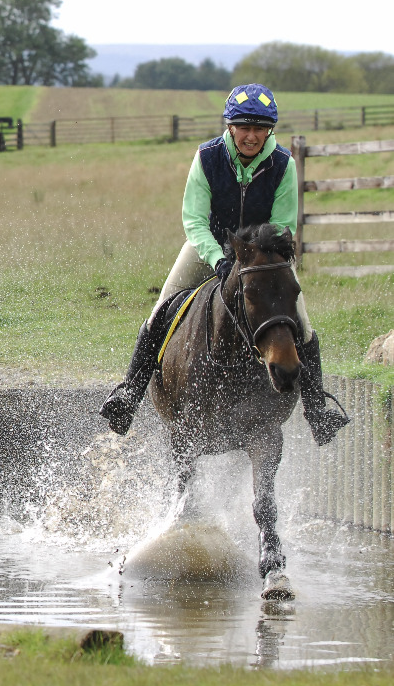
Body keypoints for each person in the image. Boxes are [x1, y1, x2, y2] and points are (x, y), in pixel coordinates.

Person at [99, 83, 348, 444]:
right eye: (244, 127)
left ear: (269, 130)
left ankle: (317, 410)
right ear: (230, 127)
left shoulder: (283, 164)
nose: (251, 136)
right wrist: (219, 259)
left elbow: (283, 226)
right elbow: (194, 221)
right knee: (160, 312)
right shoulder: (207, 157)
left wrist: (261, 257)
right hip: (208, 248)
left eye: (259, 128)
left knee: (303, 324)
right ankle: (128, 396)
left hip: (264, 259)